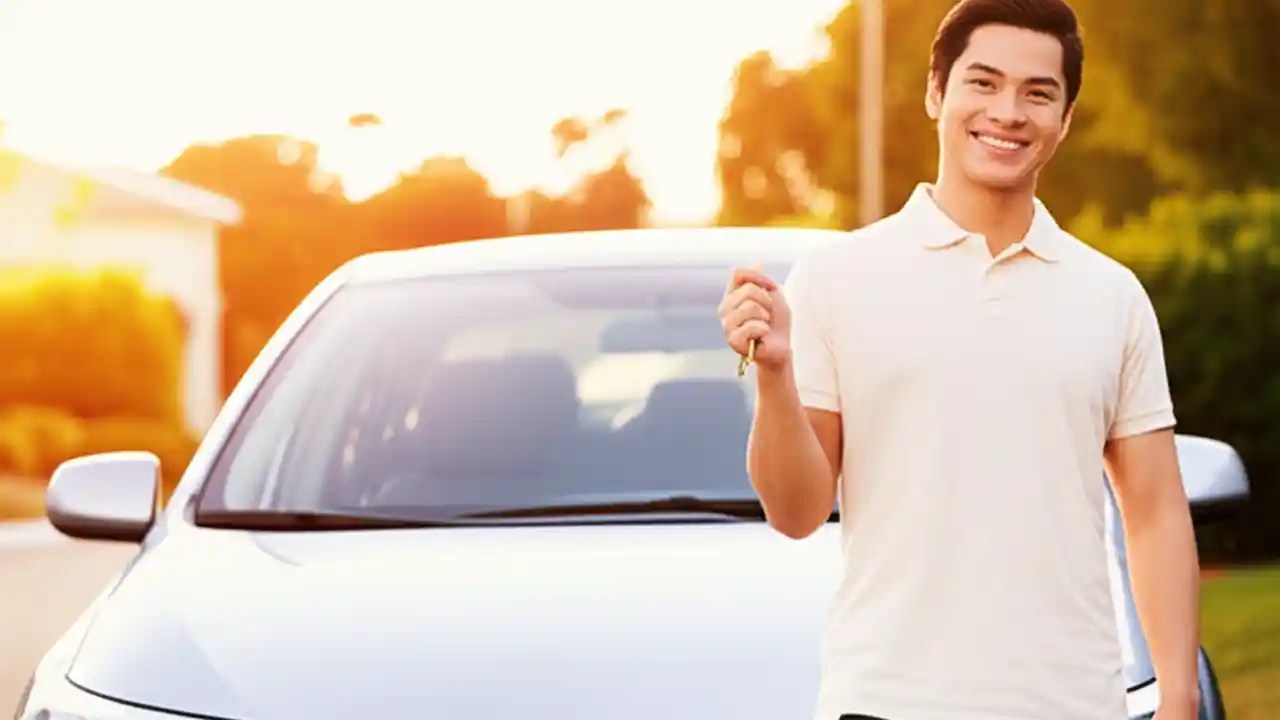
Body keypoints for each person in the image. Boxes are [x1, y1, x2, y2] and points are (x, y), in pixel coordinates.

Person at [717, 1, 1201, 718]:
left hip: (1070, 703)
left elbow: (1156, 511)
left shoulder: (1112, 296)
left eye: (1039, 93)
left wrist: (1181, 699)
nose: (1008, 112)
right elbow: (795, 512)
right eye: (983, 82)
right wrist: (777, 379)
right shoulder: (836, 278)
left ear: (1065, 118)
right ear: (936, 92)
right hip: (887, 702)